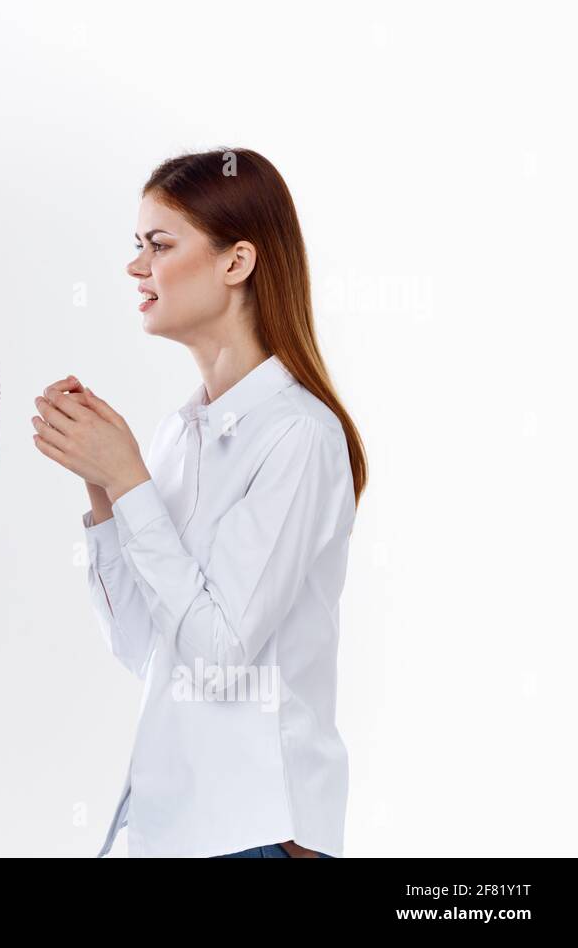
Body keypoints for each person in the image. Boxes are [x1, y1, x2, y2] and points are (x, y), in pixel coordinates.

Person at [31, 148, 366, 858]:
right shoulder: (176, 438)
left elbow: (219, 655)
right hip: (163, 830)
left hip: (256, 833)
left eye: (159, 245)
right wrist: (103, 491)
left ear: (236, 263)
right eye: (137, 246)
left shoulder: (300, 437)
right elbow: (145, 649)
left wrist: (129, 482)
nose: (135, 267)